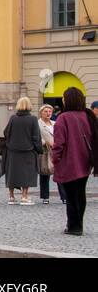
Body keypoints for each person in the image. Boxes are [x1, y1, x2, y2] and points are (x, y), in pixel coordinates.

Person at [52, 86, 98, 236]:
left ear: (68, 100)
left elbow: (59, 143)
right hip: (85, 161)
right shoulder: (87, 115)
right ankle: (79, 224)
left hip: (69, 161)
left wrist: (55, 159)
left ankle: (74, 227)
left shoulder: (63, 118)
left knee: (71, 196)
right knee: (80, 194)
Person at [4, 97, 43, 205]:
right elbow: (36, 137)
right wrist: (39, 149)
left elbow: (6, 132)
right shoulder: (33, 119)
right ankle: (24, 197)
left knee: (12, 172)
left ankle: (11, 197)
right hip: (28, 150)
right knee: (27, 173)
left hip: (13, 150)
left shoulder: (13, 118)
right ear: (29, 105)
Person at [38, 104, 56, 205]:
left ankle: (64, 196)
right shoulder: (37, 124)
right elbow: (36, 137)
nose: (48, 113)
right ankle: (45, 196)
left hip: (56, 151)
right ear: (41, 113)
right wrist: (45, 142)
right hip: (45, 151)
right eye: (46, 111)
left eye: (50, 111)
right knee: (45, 173)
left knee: (60, 173)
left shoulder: (55, 123)